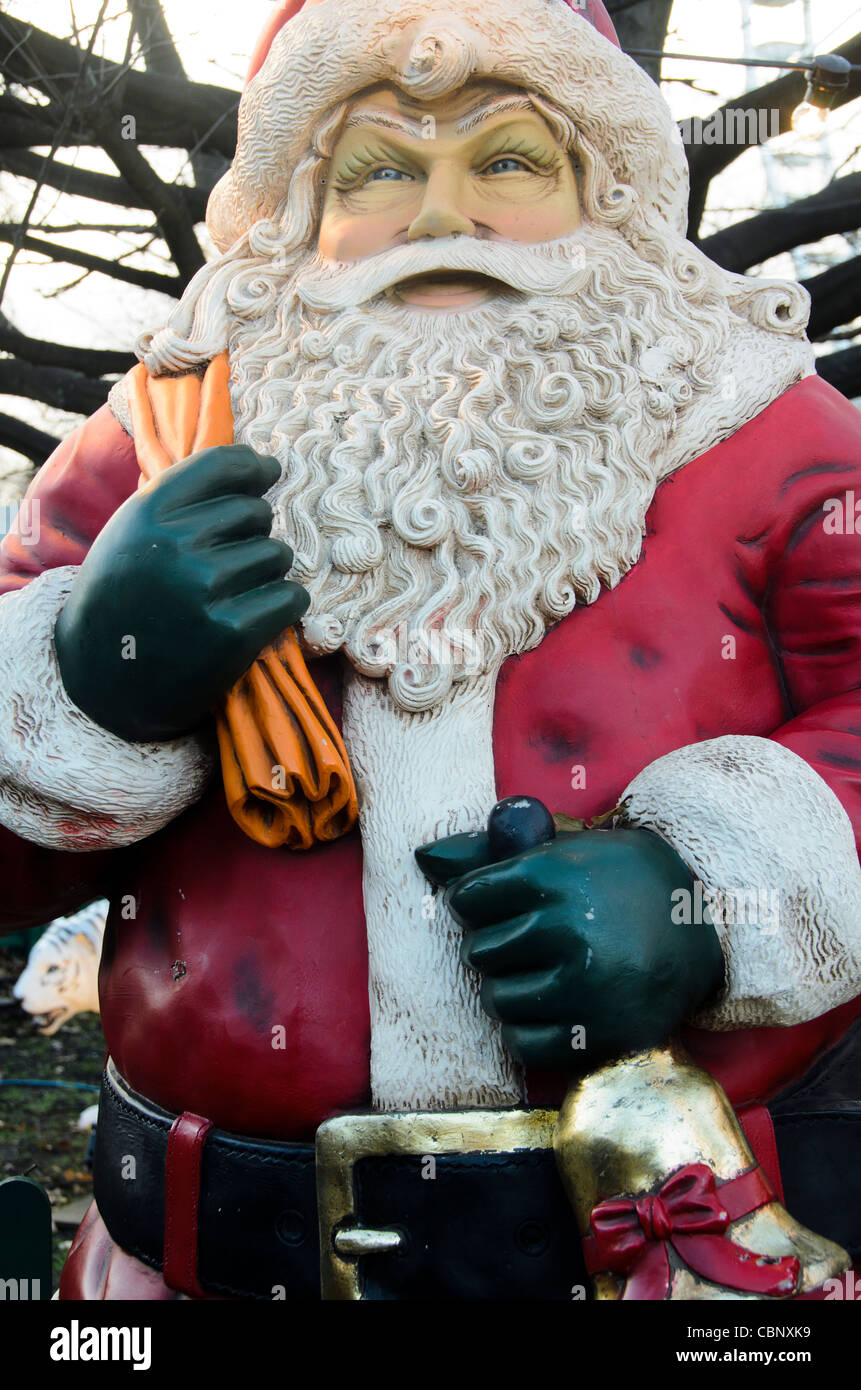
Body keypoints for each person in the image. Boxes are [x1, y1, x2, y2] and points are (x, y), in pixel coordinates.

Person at [0, 0, 859, 1300]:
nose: (440, 213)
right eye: (380, 167)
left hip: (672, 1263)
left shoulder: (772, 435)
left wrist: (716, 894)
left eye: (506, 158)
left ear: (604, 192)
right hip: (193, 1268)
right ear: (297, 211)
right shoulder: (159, 440)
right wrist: (88, 677)